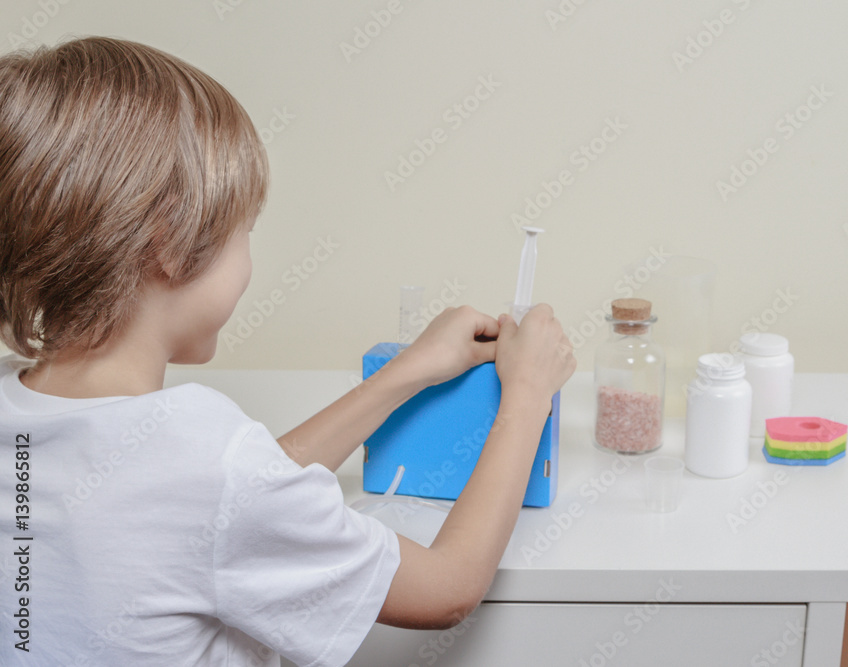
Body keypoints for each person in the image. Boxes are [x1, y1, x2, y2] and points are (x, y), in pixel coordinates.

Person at [0, 37, 575, 666]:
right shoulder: (203, 459)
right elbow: (445, 591)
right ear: (167, 244)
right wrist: (527, 394)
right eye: (242, 232)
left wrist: (409, 371)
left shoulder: (24, 408)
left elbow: (231, 500)